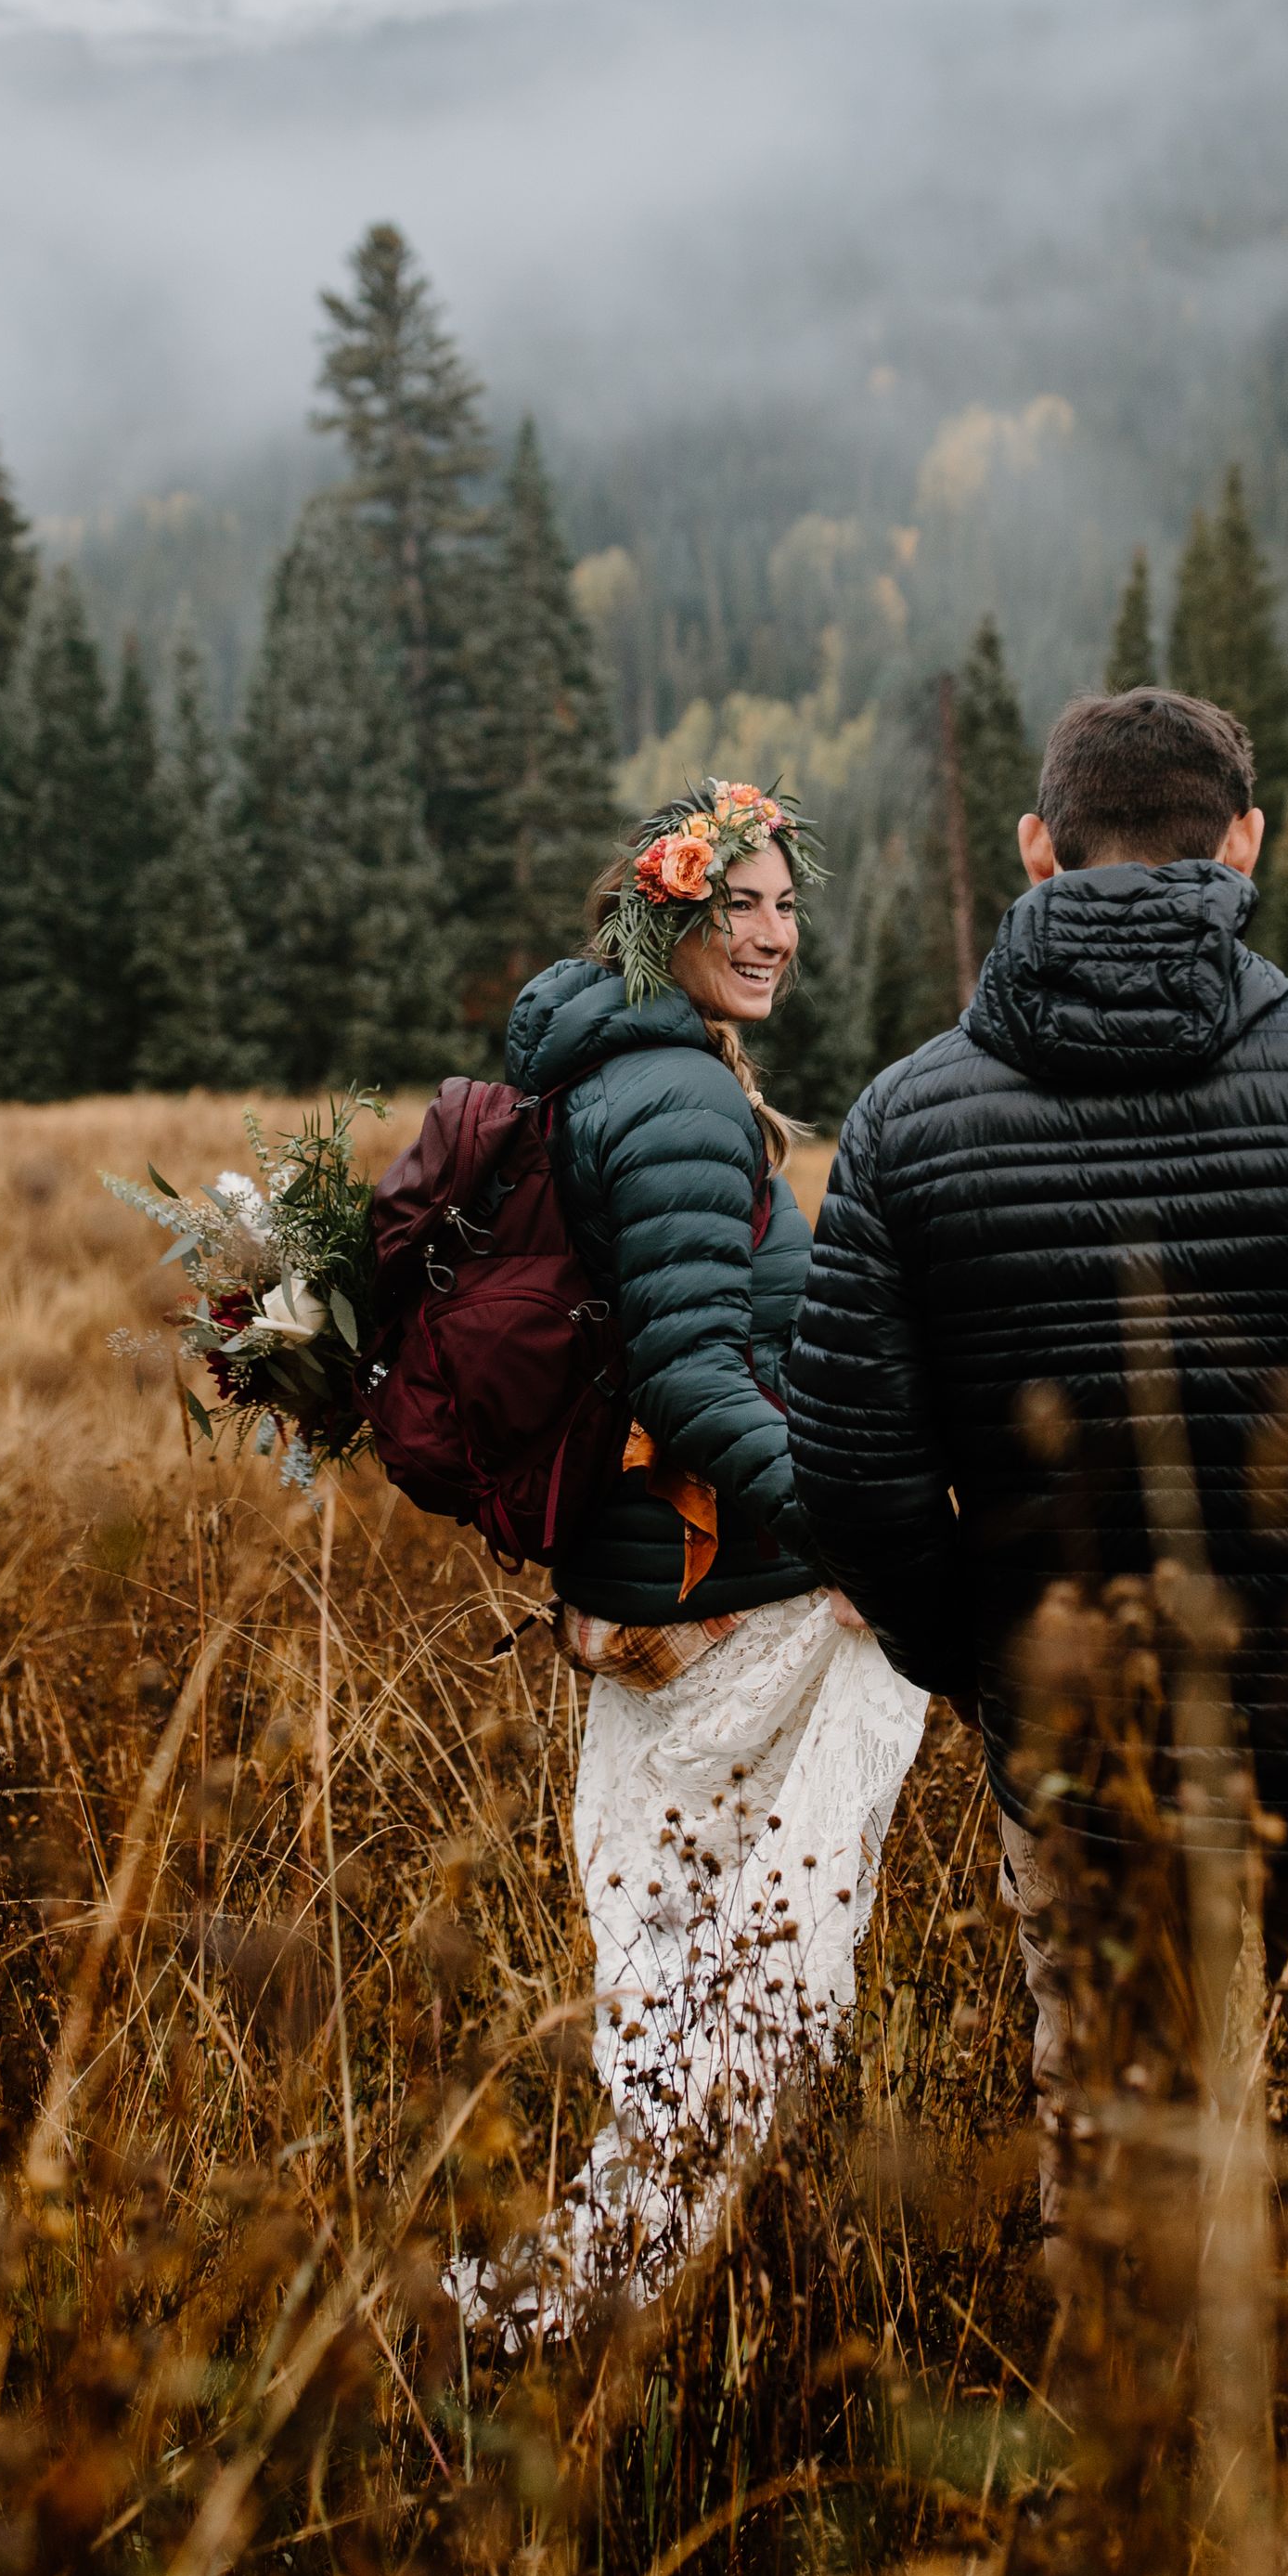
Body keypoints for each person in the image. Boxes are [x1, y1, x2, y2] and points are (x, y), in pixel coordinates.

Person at [783, 686, 1288, 2498]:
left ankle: (1147, 2557)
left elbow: (853, 1471)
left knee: (1130, 2175)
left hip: (1093, 1769)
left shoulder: (902, 1123)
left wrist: (995, 1671)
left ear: (1039, 850)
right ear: (1245, 842)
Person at [480, 780, 928, 2326]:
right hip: (729, 1597)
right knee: (744, 1963)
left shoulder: (621, 1070)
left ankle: (651, 2291)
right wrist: (851, 1520)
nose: (773, 933)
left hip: (667, 1587)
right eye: (738, 904)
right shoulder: (675, 1096)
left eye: (787, 905)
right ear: (660, 917)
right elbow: (686, 1376)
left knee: (680, 1968)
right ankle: (634, 2298)